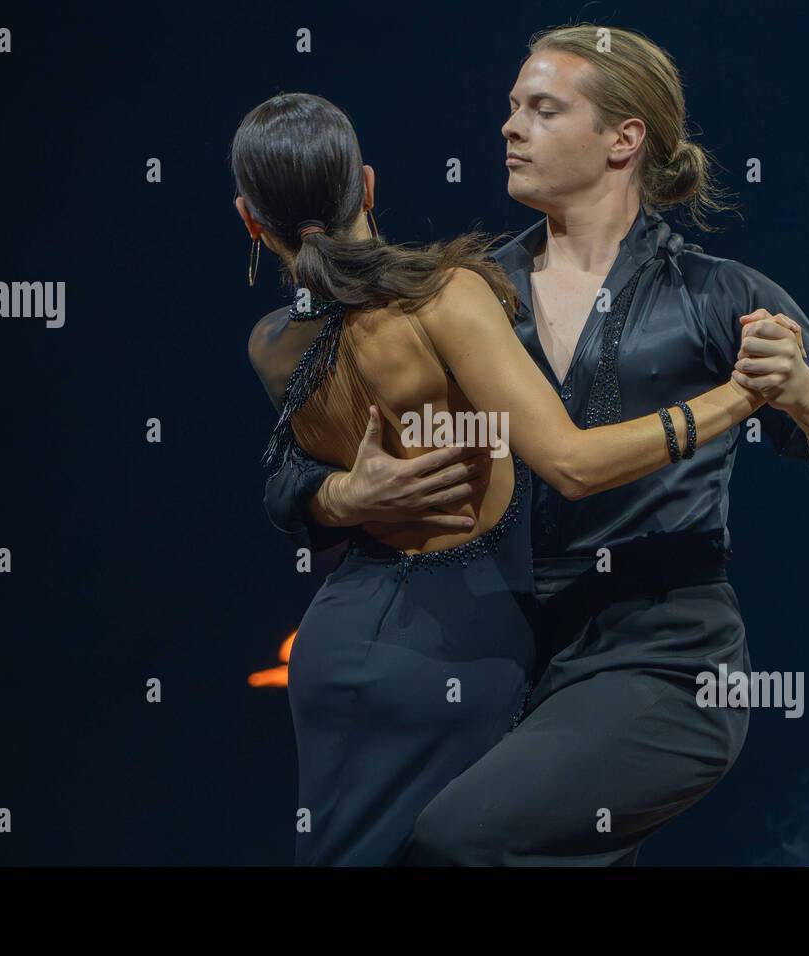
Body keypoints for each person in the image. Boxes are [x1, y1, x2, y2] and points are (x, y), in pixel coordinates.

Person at [261, 25, 809, 866]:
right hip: (508, 653)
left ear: (622, 140)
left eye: (542, 108)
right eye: (510, 107)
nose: (509, 126)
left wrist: (804, 390)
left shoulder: (719, 295)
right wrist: (343, 493)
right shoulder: (468, 290)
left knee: (458, 844)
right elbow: (291, 458)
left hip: (666, 659)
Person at [234, 91, 770, 865]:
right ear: (369, 186)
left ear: (251, 219)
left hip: (334, 643)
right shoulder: (447, 296)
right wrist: (735, 400)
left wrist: (339, 496)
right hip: (463, 639)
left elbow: (291, 474)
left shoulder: (268, 345)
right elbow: (573, 463)